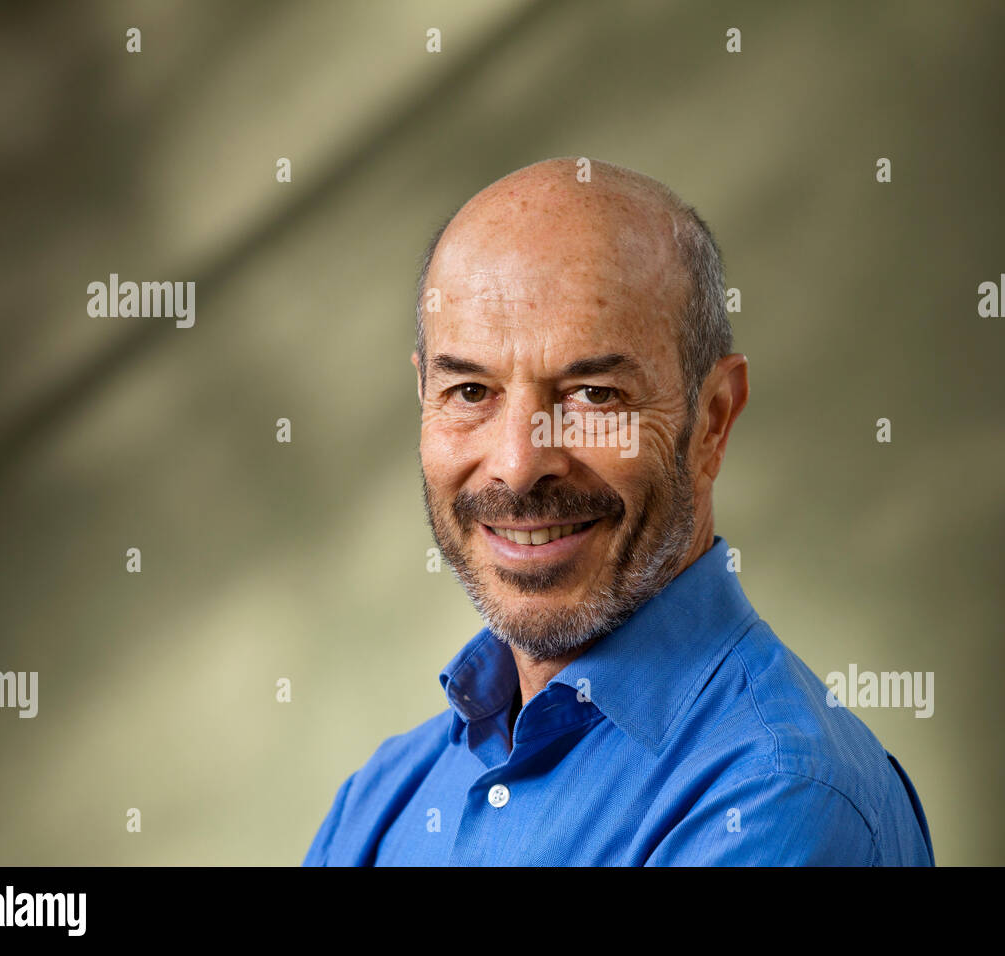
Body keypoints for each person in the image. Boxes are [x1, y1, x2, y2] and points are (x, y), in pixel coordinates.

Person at [303, 157, 934, 865]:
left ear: (713, 419)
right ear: (424, 397)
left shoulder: (780, 795)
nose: (518, 463)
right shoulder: (385, 797)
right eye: (472, 392)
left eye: (594, 394)